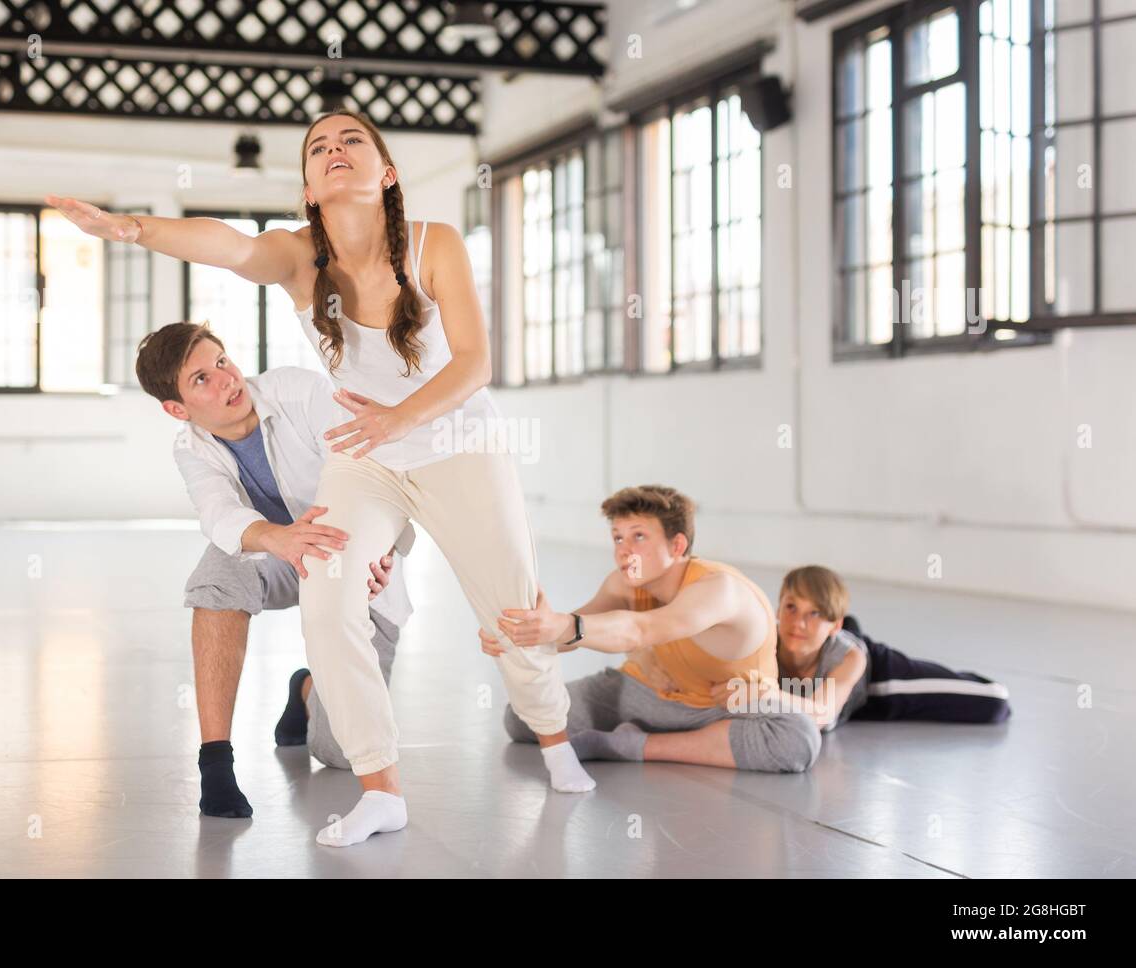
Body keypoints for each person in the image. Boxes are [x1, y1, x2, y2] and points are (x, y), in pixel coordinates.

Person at [47, 107, 591, 849]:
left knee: (511, 611)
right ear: (308, 185)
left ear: (386, 172)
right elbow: (229, 246)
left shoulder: (436, 245)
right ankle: (381, 789)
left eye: (352, 141)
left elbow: (475, 364)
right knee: (326, 597)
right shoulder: (299, 258)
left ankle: (554, 736)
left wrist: (399, 421)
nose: (335, 151)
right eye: (319, 147)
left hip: (458, 445)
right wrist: (134, 230)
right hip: (366, 458)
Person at [131, 320, 417, 818]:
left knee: (339, 753)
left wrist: (379, 551)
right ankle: (215, 762)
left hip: (355, 560)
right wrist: (276, 537)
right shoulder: (192, 448)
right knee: (217, 576)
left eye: (221, 362)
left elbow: (369, 469)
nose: (226, 380)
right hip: (280, 557)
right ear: (177, 410)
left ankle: (306, 689)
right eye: (201, 379)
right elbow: (217, 513)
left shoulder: (295, 391)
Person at [483, 485, 824, 773]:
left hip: (720, 710)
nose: (623, 550)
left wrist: (562, 626)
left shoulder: (719, 590)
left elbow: (641, 630)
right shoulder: (624, 583)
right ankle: (649, 736)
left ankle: (630, 744)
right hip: (645, 693)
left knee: (798, 740)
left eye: (639, 537)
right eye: (617, 537)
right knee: (521, 717)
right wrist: (516, 635)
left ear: (677, 546)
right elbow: (567, 632)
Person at [773, 565, 1012, 726]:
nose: (798, 623)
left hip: (868, 681)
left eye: (814, 613)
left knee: (993, 703)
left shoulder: (849, 658)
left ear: (834, 625)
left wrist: (762, 695)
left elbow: (820, 713)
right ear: (777, 609)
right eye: (791, 607)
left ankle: (848, 629)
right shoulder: (763, 644)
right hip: (830, 652)